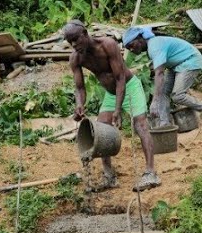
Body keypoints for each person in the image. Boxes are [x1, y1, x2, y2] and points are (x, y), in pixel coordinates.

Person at [64, 20, 160, 191]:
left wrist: (118, 110)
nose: (73, 45)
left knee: (140, 125)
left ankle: (150, 173)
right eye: (69, 42)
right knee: (101, 131)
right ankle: (109, 176)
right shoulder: (76, 58)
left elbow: (120, 78)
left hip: (129, 86)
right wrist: (79, 104)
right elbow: (79, 88)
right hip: (110, 93)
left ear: (85, 34)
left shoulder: (108, 45)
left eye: (76, 40)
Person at [123, 25, 202, 126]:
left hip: (190, 60)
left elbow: (159, 73)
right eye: (128, 48)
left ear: (140, 38)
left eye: (131, 45)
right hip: (174, 65)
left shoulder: (154, 46)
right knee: (163, 92)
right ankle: (164, 124)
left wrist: (154, 102)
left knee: (178, 96)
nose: (131, 49)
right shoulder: (151, 46)